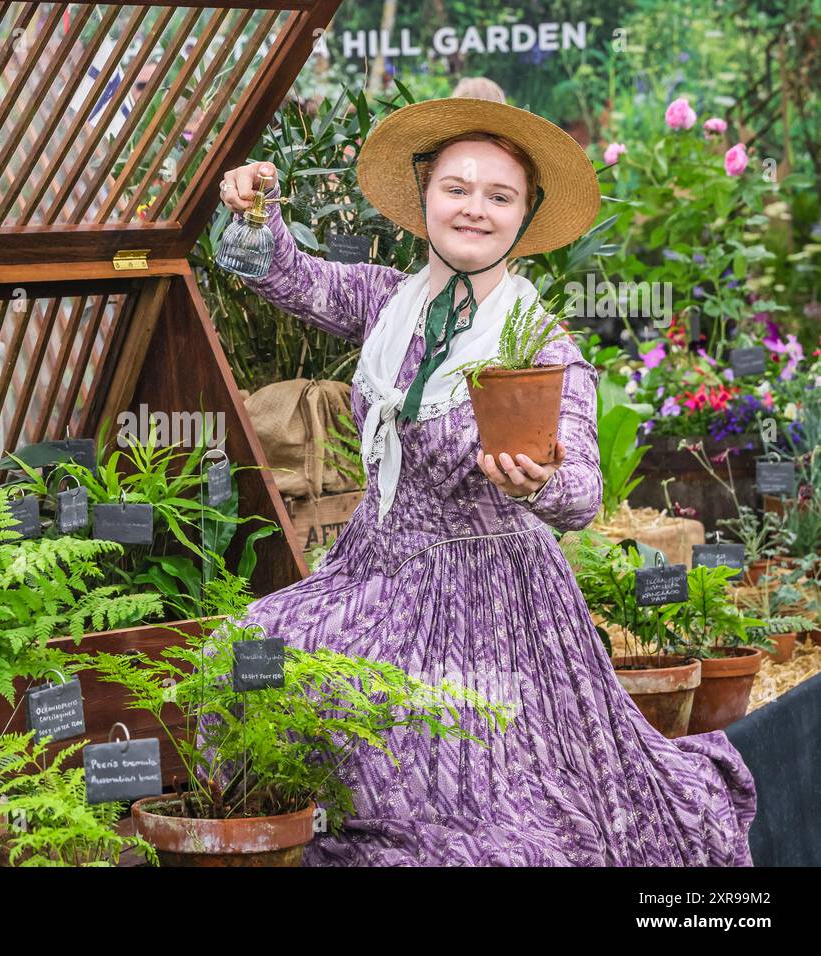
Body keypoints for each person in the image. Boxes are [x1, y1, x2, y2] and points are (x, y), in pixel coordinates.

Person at [216, 96, 757, 866]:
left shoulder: (539, 344)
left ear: (525, 216)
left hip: (489, 606)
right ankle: (272, 832)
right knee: (247, 648)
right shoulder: (385, 302)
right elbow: (278, 275)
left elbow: (579, 498)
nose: (475, 209)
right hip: (373, 575)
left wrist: (534, 481)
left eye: (499, 196)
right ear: (425, 194)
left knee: (480, 821)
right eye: (457, 188)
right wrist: (253, 208)